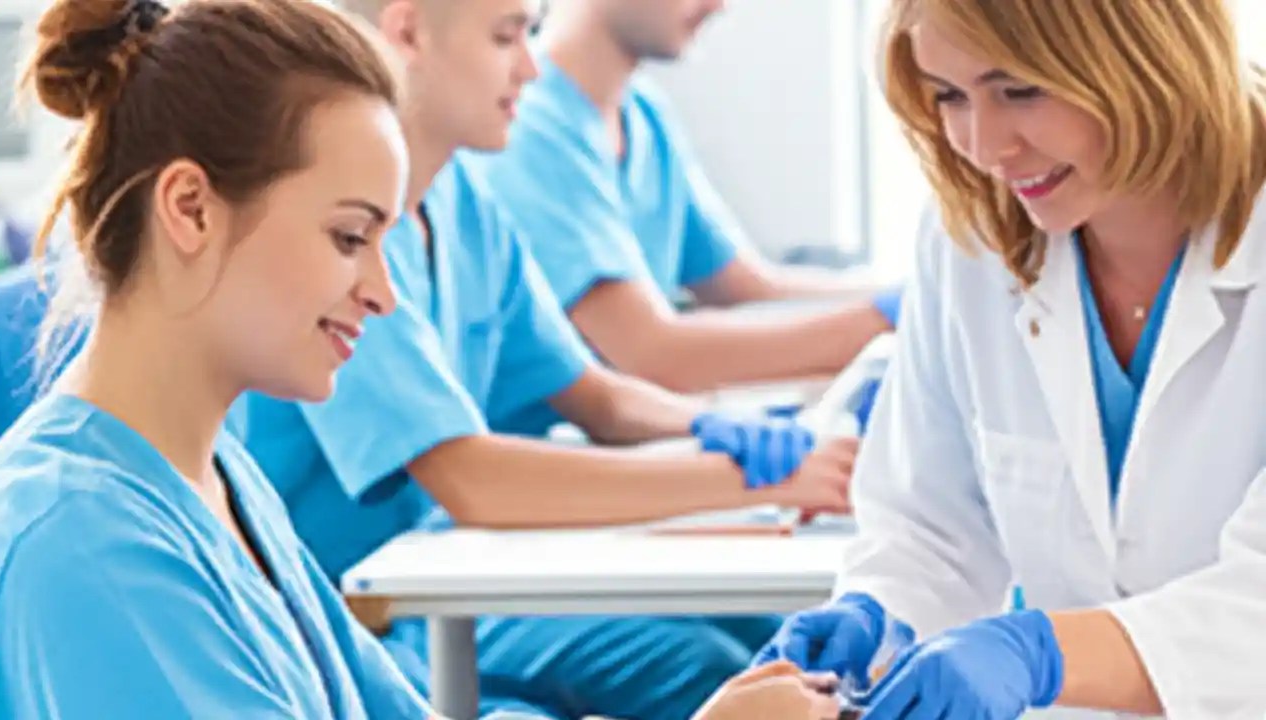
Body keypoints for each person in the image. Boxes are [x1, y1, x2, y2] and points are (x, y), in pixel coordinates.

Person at [0, 2, 840, 719]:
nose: (385, 293)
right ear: (190, 208)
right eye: (349, 237)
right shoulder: (85, 549)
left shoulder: (224, 486)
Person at [233, 1, 855, 718]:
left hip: (457, 584)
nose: (531, 67)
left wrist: (745, 440)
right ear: (406, 32)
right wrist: (740, 481)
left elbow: (598, 397)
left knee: (775, 644)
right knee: (704, 666)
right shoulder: (348, 244)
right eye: (506, 37)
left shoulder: (466, 204)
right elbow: (471, 479)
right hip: (368, 626)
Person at [755, 0, 1266, 718]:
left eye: (1020, 90)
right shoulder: (973, 237)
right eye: (949, 97)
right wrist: (879, 614)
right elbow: (930, 525)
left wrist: (1039, 654)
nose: (985, 145)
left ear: (1148, 50)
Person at [463, 0, 903, 406]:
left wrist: (906, 291)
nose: (717, 5)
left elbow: (744, 286)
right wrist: (880, 322)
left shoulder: (644, 114)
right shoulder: (529, 129)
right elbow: (651, 354)